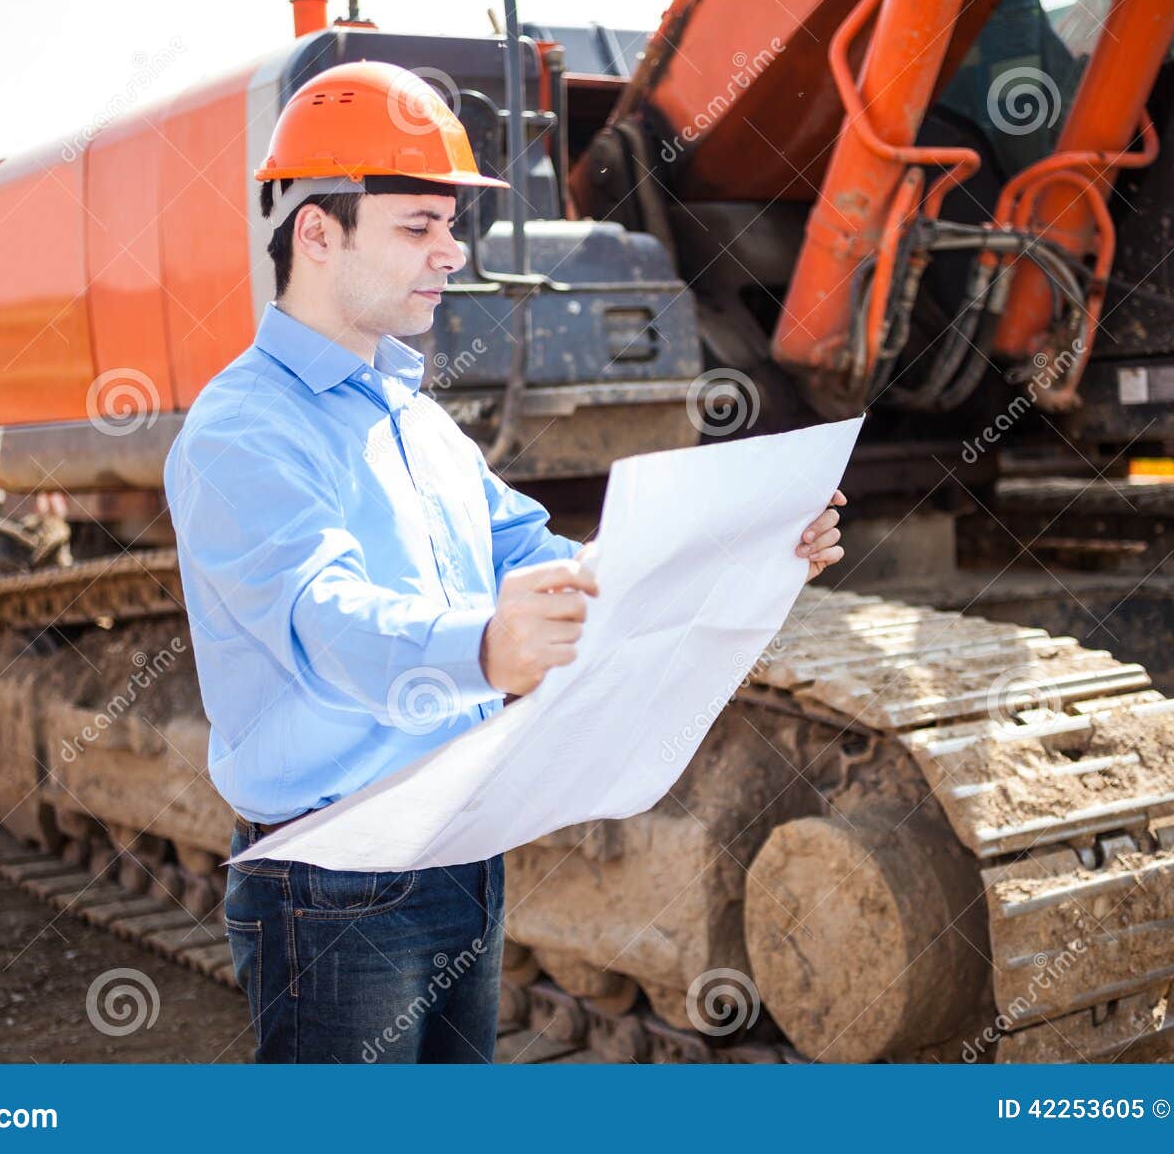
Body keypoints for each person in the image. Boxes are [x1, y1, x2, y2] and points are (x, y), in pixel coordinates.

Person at [163, 61, 845, 1064]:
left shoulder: (420, 422)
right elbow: (323, 618)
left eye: (453, 225)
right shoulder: (243, 427)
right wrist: (483, 645)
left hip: (459, 851)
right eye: (417, 226)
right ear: (316, 232)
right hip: (332, 880)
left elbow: (548, 559)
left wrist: (742, 548)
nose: (451, 253)